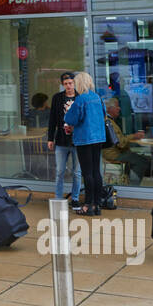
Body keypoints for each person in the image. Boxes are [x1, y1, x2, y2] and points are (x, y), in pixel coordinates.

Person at [63, 72, 107, 216]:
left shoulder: (81, 100)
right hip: (99, 138)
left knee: (87, 173)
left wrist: (69, 111)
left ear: (79, 84)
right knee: (96, 172)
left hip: (84, 139)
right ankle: (97, 205)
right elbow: (104, 114)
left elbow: (70, 119)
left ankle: (88, 205)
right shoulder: (98, 98)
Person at [46, 72, 83, 206]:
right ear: (62, 84)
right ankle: (58, 198)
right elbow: (52, 119)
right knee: (60, 171)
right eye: (66, 83)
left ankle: (75, 198)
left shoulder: (80, 97)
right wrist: (50, 138)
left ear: (75, 83)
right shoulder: (57, 98)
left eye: (71, 83)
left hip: (78, 141)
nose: (69, 86)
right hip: (61, 141)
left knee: (77, 172)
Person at [102, 97, 153, 185]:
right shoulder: (109, 122)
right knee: (140, 161)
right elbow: (120, 143)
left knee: (139, 158)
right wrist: (134, 136)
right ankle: (133, 185)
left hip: (114, 152)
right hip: (114, 154)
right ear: (109, 109)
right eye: (117, 106)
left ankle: (128, 181)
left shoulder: (109, 121)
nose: (119, 108)